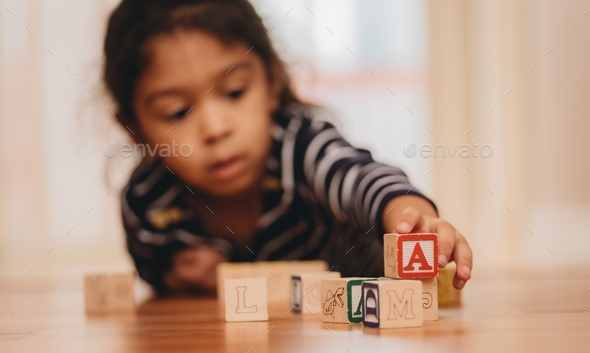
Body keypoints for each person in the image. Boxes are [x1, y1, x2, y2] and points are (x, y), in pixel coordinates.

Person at [103, 0, 473, 294]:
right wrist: (177, 278)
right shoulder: (147, 201)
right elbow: (151, 268)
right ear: (135, 131)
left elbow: (362, 179)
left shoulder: (302, 147)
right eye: (178, 111)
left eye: (235, 93)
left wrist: (411, 218)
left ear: (273, 83)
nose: (215, 129)